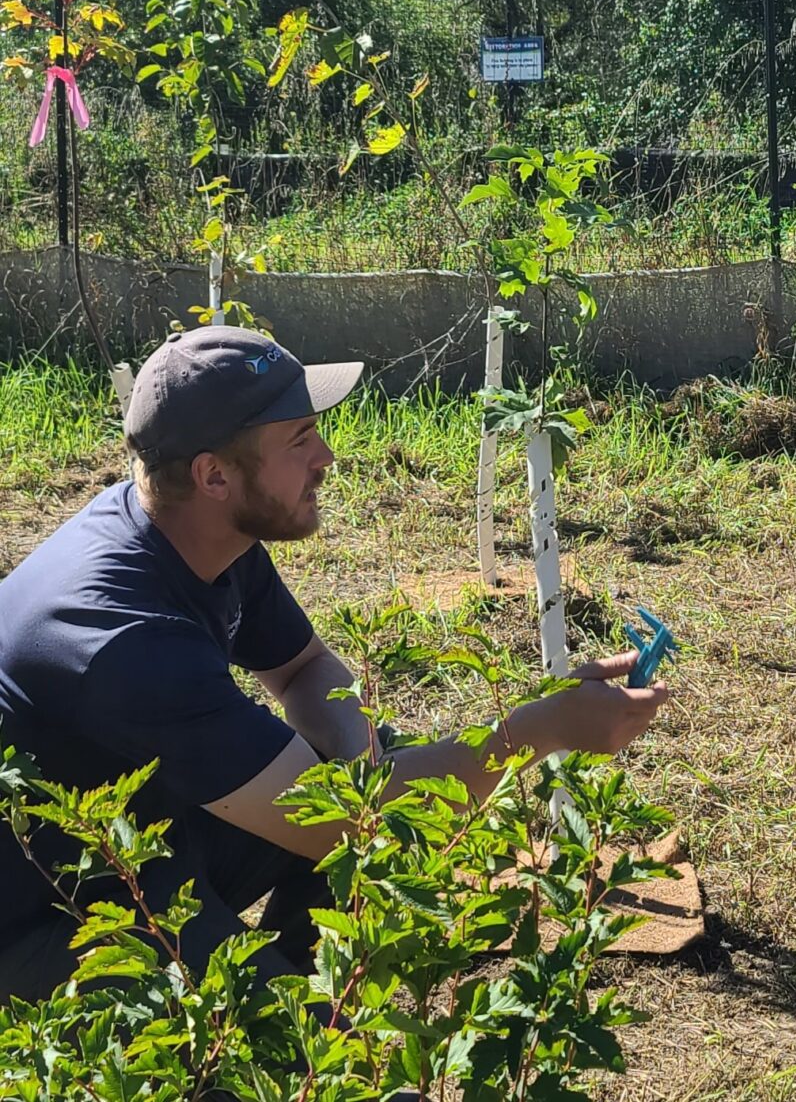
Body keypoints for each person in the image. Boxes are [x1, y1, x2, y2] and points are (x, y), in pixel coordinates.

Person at [0, 326, 670, 1001]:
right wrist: (541, 731)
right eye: (299, 440)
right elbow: (355, 827)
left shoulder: (195, 532)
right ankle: (285, 1035)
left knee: (362, 785)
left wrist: (362, 759)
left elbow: (302, 669)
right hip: (43, 921)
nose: (327, 456)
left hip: (132, 848)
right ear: (214, 475)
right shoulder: (129, 642)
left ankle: (310, 998)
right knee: (292, 1002)